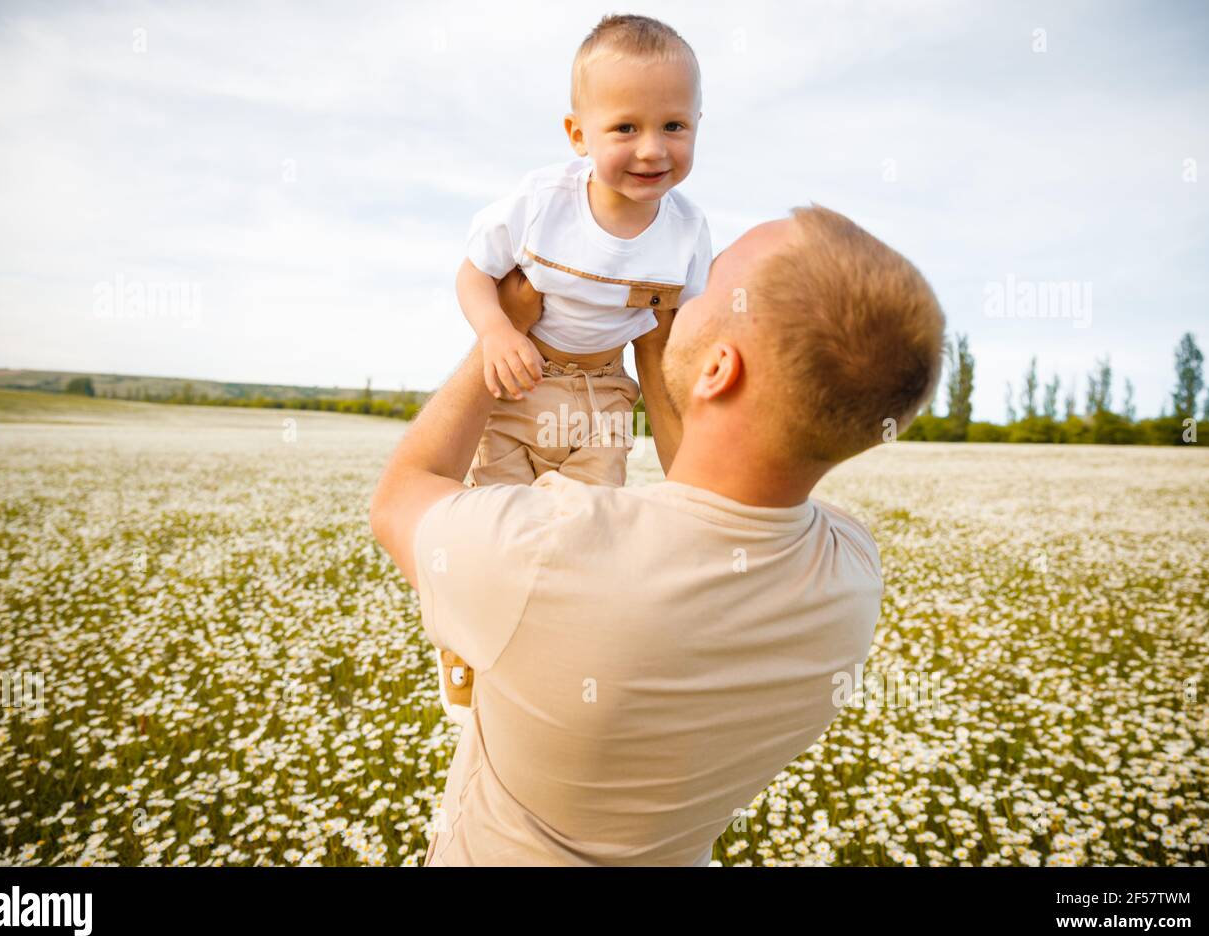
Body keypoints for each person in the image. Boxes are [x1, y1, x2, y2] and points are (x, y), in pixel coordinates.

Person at [370, 204, 946, 865]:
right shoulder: (851, 574)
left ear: (719, 370)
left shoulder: (548, 551)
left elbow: (399, 498)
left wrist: (500, 332)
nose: (681, 287)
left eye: (709, 278)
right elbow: (709, 498)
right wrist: (651, 352)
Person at [440, 14, 712, 722]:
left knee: (589, 538)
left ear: (697, 125)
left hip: (605, 395)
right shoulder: (541, 204)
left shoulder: (687, 232)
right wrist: (498, 331)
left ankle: (557, 665)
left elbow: (678, 335)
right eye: (625, 128)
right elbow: (474, 274)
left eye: (675, 126)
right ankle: (468, 652)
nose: (652, 149)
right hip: (520, 380)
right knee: (490, 527)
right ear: (577, 135)